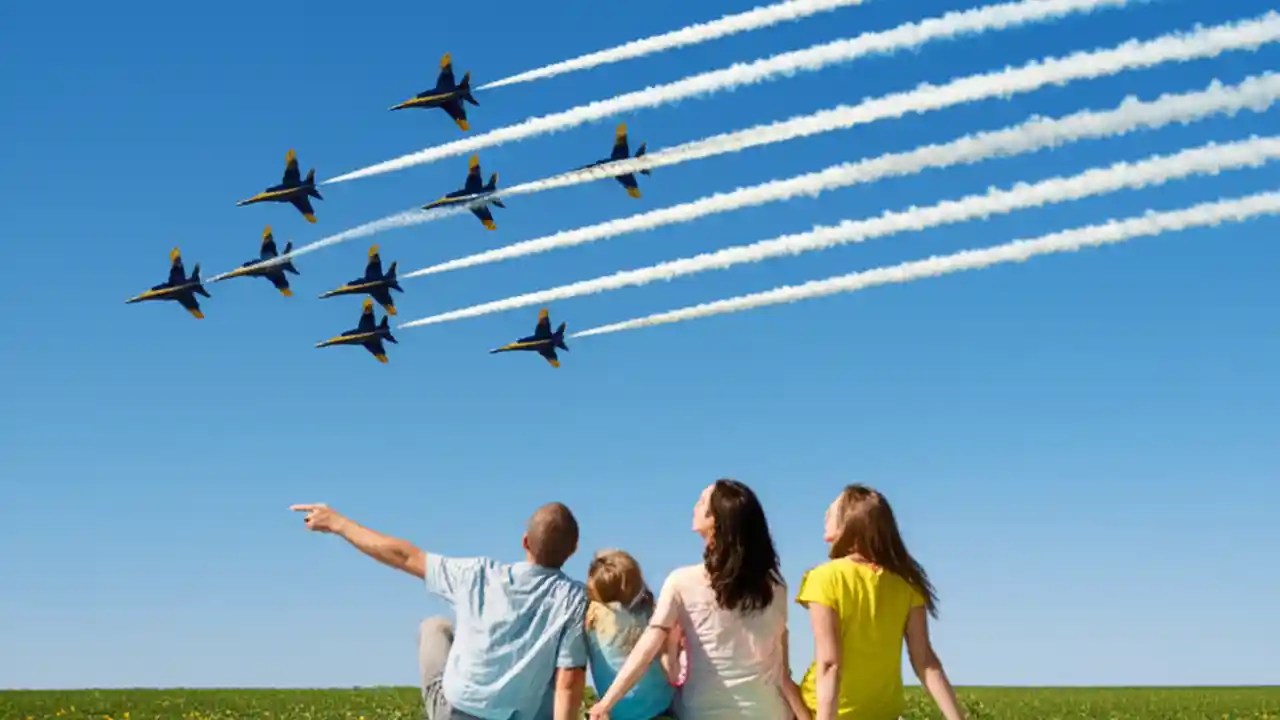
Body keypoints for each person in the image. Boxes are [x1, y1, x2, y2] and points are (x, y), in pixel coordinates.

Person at [290, 501, 590, 720]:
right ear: (572, 550)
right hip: (522, 713)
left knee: (434, 626)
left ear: (525, 542)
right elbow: (569, 682)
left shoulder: (478, 574)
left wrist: (338, 523)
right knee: (553, 670)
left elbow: (403, 555)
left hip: (456, 713)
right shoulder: (574, 599)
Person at [587, 479, 809, 720]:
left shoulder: (681, 582)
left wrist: (606, 703)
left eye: (702, 501)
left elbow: (647, 648)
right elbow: (780, 670)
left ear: (715, 522)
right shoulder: (775, 587)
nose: (694, 506)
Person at [795, 485, 964, 720]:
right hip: (884, 713)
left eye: (831, 511)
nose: (825, 514)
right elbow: (925, 661)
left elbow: (830, 664)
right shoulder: (907, 584)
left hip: (825, 711)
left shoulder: (823, 578)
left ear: (849, 523)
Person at [582, 549, 676, 720]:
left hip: (615, 712)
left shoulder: (590, 616)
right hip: (659, 710)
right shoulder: (652, 612)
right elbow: (671, 668)